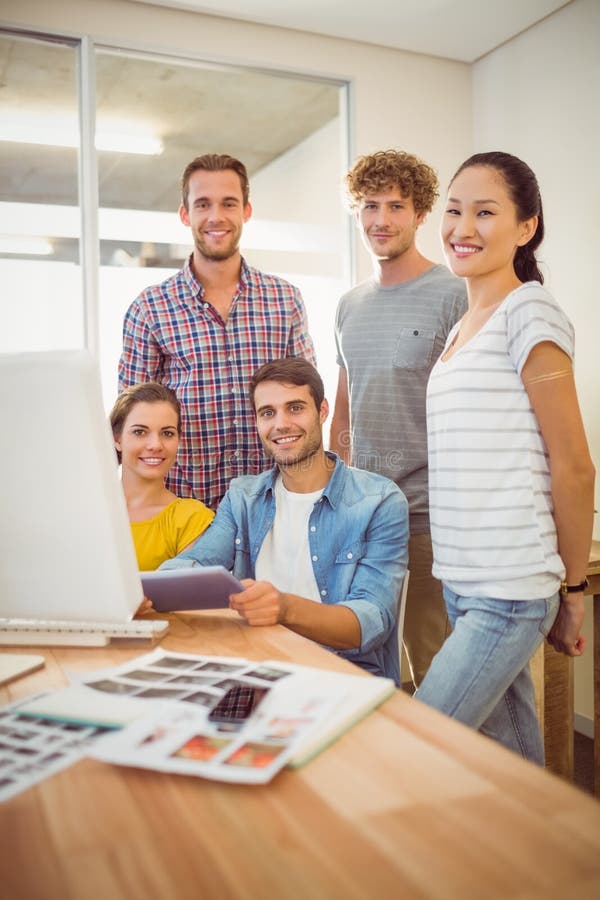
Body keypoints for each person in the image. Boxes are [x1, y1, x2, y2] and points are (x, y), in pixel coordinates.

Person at [415, 151, 595, 764]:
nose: (462, 228)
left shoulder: (529, 310)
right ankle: (554, 860)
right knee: (513, 766)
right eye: (455, 210)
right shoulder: (463, 328)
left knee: (419, 742)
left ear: (526, 228)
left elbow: (573, 463)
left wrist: (572, 590)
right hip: (464, 582)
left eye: (485, 212)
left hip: (510, 586)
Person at [162, 357, 409, 683]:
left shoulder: (379, 501)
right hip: (257, 677)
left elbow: (370, 622)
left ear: (322, 411)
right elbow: (193, 564)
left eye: (295, 408)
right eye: (268, 413)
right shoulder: (242, 498)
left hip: (343, 680)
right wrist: (151, 587)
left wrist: (285, 608)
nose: (281, 424)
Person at [330, 149, 467, 689]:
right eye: (369, 205)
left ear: (419, 213)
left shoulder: (454, 294)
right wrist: (338, 494)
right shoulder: (348, 305)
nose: (381, 219)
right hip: (365, 517)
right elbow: (345, 409)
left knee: (437, 672)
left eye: (396, 205)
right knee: (373, 669)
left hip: (429, 518)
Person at [119, 153, 316, 511]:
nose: (216, 216)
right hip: (181, 513)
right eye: (202, 204)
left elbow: (308, 406)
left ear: (246, 211)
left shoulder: (285, 300)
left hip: (274, 509)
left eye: (229, 203)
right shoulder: (150, 308)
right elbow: (129, 424)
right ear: (185, 214)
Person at [110, 383, 214, 570]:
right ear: (117, 439)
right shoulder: (86, 510)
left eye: (167, 433)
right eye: (140, 432)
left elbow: (186, 595)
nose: (155, 445)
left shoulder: (192, 519)